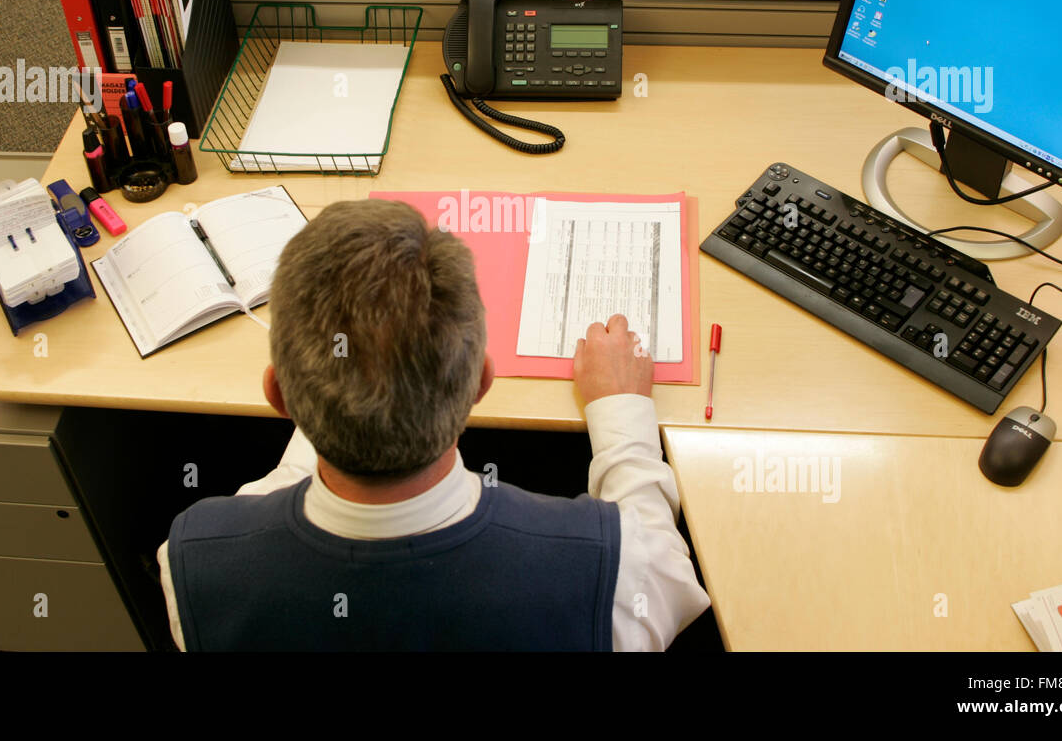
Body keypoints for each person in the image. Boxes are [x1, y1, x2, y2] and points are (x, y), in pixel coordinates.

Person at [157, 199, 709, 650]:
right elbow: (665, 564)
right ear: (481, 383)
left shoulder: (189, 564)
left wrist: (332, 388)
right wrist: (621, 408)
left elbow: (276, 491)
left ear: (277, 396)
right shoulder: (613, 574)